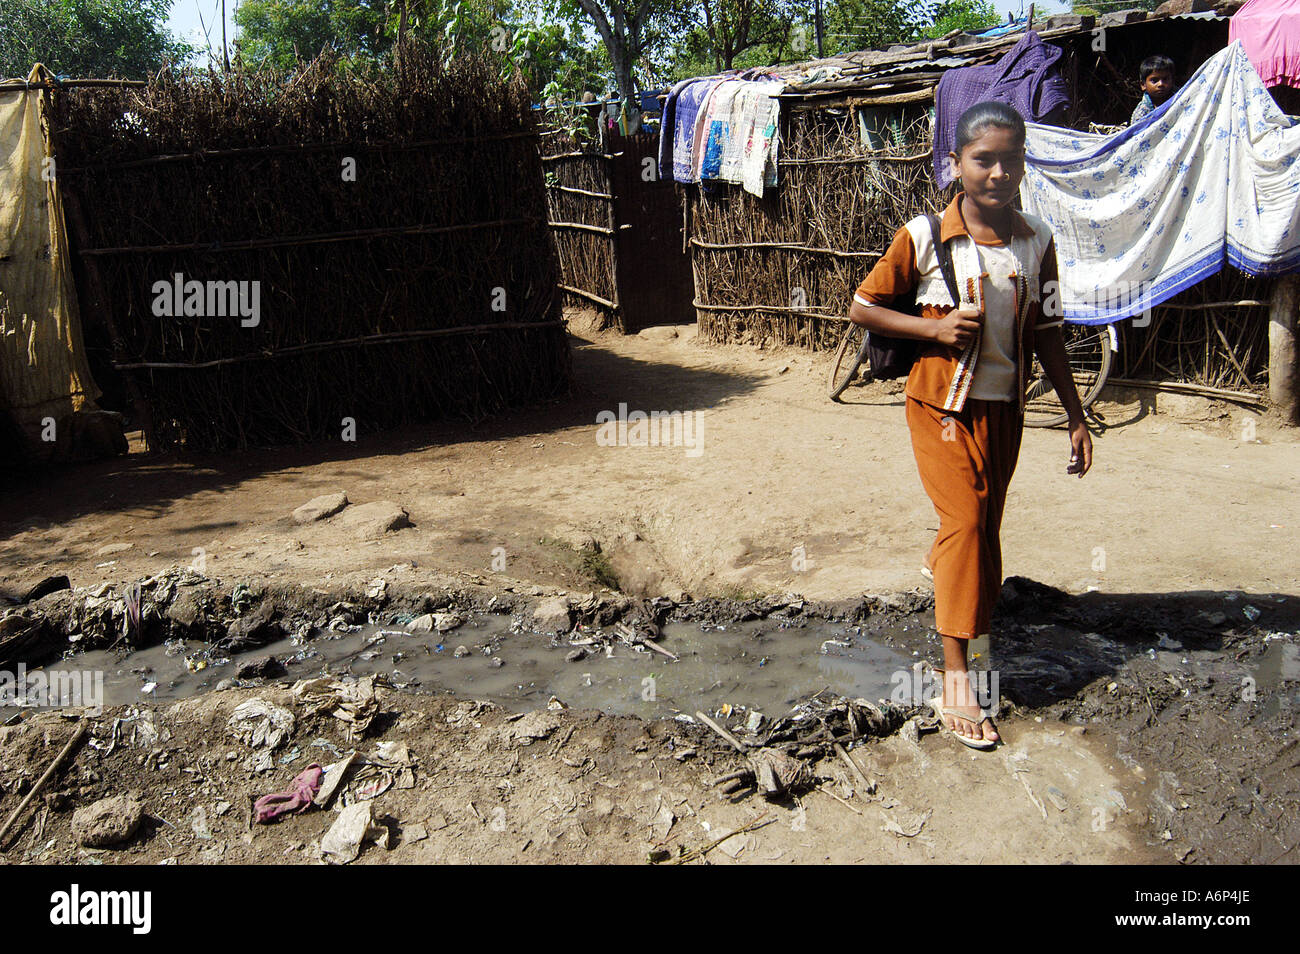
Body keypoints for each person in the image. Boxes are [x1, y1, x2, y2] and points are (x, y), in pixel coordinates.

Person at [847, 101, 1094, 749]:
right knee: (966, 520)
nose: (999, 172)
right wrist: (932, 327)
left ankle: (949, 570)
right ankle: (958, 675)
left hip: (1002, 411)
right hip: (940, 406)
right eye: (984, 159)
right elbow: (863, 306)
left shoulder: (1038, 241)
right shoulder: (926, 236)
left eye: (1012, 158)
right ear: (955, 164)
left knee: (983, 526)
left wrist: (1075, 415)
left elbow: (1047, 333)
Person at [1130, 55, 1176, 125]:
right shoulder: (1141, 113)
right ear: (1143, 85)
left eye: (1165, 79)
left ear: (1172, 81)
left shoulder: (1181, 100)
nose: (1161, 84)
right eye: (1154, 81)